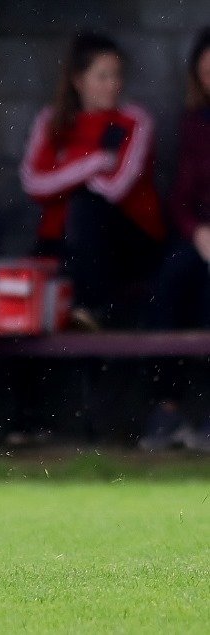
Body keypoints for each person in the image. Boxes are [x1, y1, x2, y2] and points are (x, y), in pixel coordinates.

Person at [19, 31, 166, 330]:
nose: (113, 84)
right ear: (78, 80)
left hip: (127, 240)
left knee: (86, 206)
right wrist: (94, 163)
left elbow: (115, 188)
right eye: (103, 76)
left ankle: (93, 310)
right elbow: (33, 183)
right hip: (62, 241)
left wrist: (63, 174)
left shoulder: (134, 121)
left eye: (117, 75)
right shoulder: (52, 121)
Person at [139, 26, 210, 452]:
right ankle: (166, 408)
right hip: (201, 238)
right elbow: (181, 197)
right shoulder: (195, 125)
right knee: (170, 283)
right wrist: (198, 232)